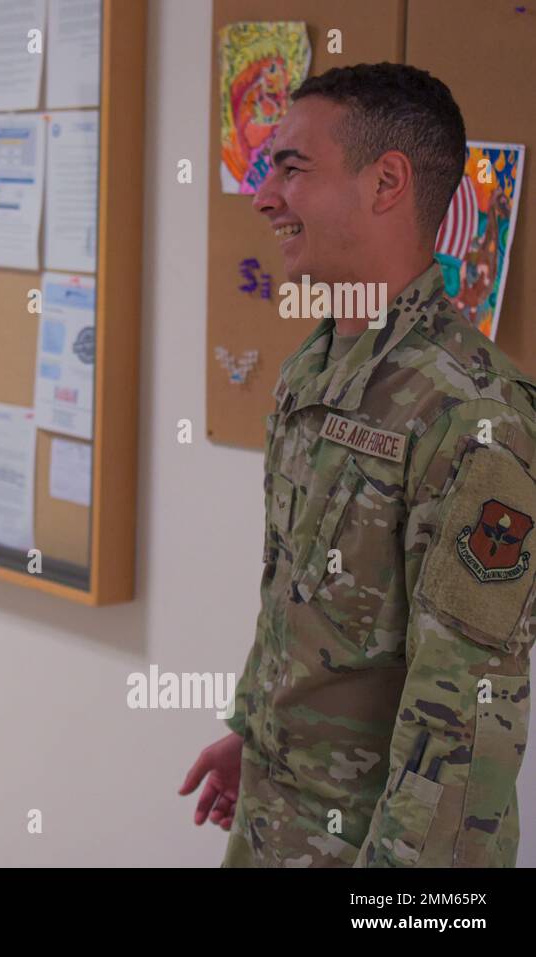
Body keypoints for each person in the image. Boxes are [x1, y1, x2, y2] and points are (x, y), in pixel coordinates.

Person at [180, 63, 536, 867]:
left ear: (386, 183)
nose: (266, 197)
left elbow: (467, 724)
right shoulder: (313, 372)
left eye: (292, 169)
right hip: (277, 826)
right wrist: (258, 730)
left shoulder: (473, 415)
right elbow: (299, 598)